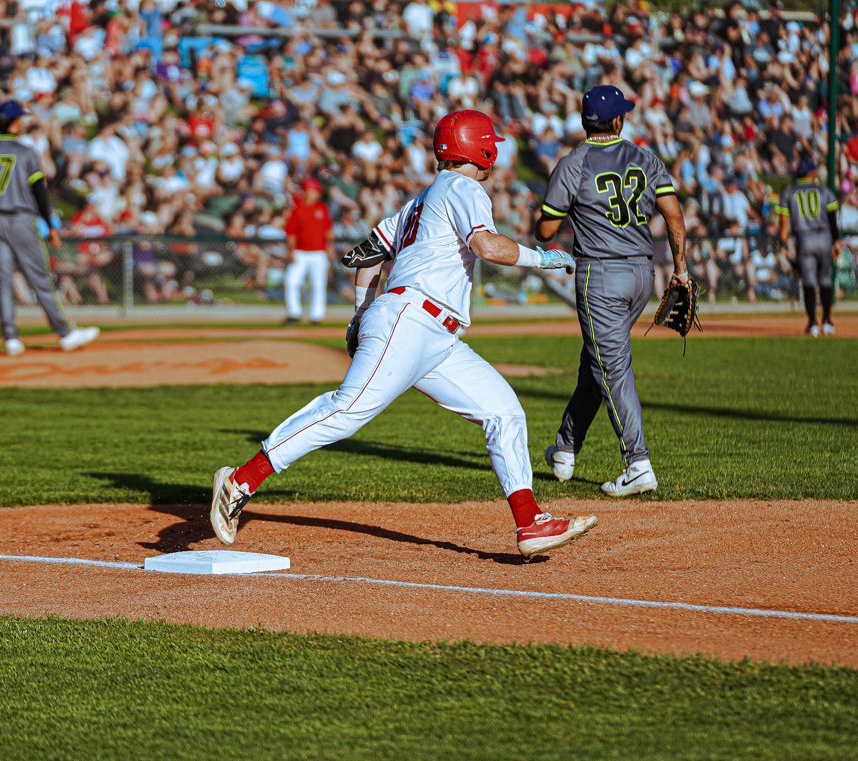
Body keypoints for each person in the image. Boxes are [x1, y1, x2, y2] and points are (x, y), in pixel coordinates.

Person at [209, 110, 596, 561]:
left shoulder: (422, 200)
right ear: (480, 149)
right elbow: (487, 247)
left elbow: (368, 255)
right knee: (349, 410)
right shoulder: (463, 187)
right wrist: (543, 258)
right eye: (492, 144)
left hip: (435, 335)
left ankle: (530, 522)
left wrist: (358, 318)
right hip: (411, 319)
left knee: (504, 412)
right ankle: (240, 480)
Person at [535, 85, 689, 497]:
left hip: (600, 275)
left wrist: (562, 207)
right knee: (598, 360)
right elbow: (673, 214)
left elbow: (546, 229)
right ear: (617, 121)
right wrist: (682, 270)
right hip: (642, 273)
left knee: (611, 365)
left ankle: (637, 463)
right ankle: (565, 448)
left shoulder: (574, 163)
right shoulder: (644, 157)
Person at [0, 101, 98, 356]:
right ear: (15, 123)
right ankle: (65, 332)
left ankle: (11, 339)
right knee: (40, 278)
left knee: (3, 281)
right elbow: (39, 191)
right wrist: (51, 225)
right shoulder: (26, 152)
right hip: (20, 220)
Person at [777, 158, 839, 336]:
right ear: (811, 173)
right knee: (825, 279)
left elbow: (783, 222)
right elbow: (833, 219)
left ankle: (812, 323)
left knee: (809, 281)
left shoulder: (789, 192)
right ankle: (827, 321)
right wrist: (836, 241)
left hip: (804, 238)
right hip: (824, 236)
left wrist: (782, 244)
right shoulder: (824, 190)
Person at [283, 178, 334, 325]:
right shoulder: (297, 209)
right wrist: (290, 251)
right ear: (305, 191)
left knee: (318, 285)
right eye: (312, 190)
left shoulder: (322, 208)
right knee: (292, 281)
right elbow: (291, 233)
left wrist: (329, 250)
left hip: (319, 252)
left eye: (316, 191)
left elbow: (328, 231)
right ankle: (294, 312)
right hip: (300, 252)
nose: (314, 194)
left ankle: (316, 315)